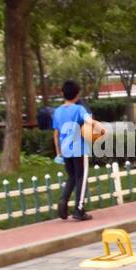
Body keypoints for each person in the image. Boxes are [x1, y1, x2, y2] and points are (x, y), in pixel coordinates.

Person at [51, 79, 95, 221]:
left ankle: (63, 200)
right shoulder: (79, 109)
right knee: (81, 177)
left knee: (71, 176)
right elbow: (90, 123)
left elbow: (56, 133)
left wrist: (58, 152)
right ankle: (79, 209)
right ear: (78, 94)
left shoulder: (57, 112)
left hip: (65, 150)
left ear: (62, 93)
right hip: (79, 148)